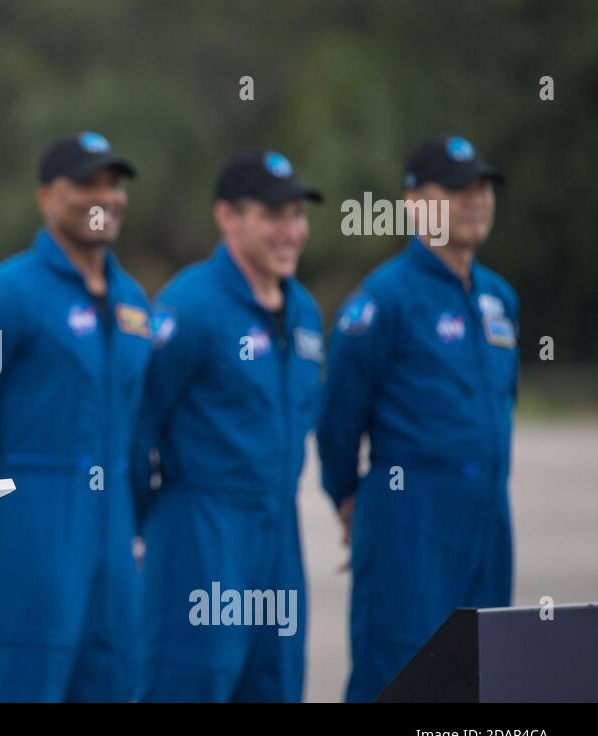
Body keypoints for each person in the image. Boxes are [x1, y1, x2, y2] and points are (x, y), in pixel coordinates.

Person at [0, 132, 152, 702]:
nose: (104, 196)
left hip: (115, 531)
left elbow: (144, 428)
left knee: (115, 681)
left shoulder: (135, 302)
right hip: (30, 523)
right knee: (25, 680)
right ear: (46, 196)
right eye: (86, 183)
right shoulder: (3, 296)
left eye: (113, 184)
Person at [317, 135, 516, 702]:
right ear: (413, 203)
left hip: (487, 520)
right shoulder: (383, 301)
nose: (476, 200)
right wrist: (347, 497)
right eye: (456, 190)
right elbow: (337, 420)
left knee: (484, 684)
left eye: (483, 187)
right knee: (400, 677)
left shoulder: (499, 299)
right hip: (409, 522)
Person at [134, 151, 324, 702]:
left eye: (298, 216)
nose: (290, 231)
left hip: (278, 528)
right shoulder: (189, 307)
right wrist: (147, 521)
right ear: (227, 217)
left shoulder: (306, 311)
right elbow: (137, 425)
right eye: (273, 216)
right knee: (190, 681)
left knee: (277, 682)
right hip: (200, 528)